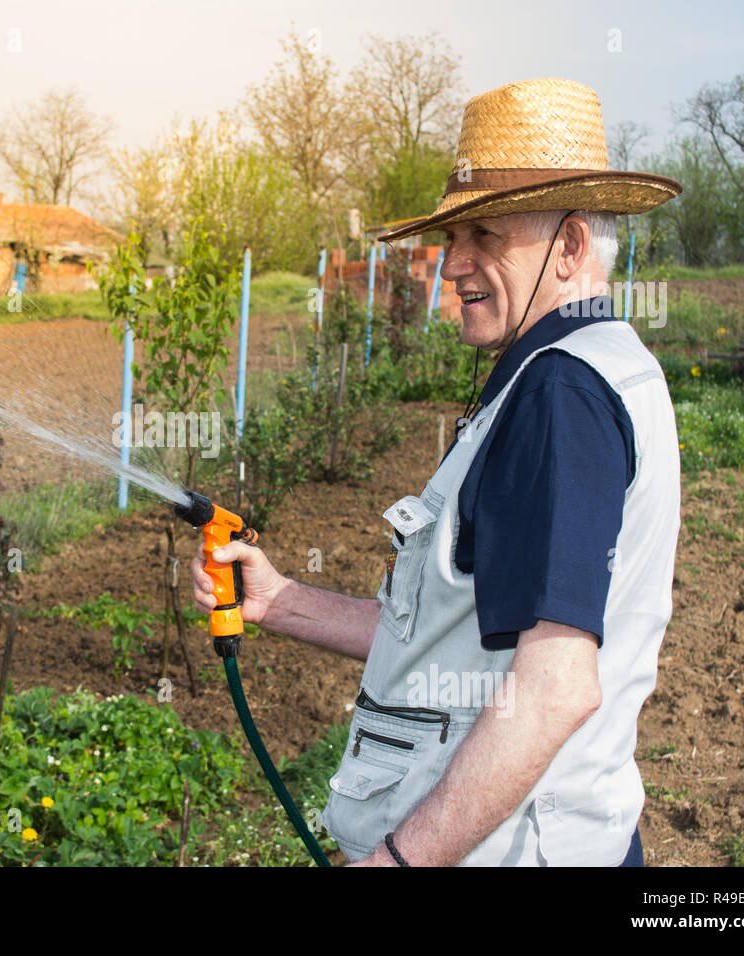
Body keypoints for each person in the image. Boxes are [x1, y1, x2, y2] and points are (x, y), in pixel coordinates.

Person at [190, 78, 683, 866]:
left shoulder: (561, 390)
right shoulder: (598, 368)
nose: (453, 265)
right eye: (452, 238)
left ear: (571, 245)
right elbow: (455, 639)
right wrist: (280, 601)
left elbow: (555, 686)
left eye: (485, 234)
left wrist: (397, 863)